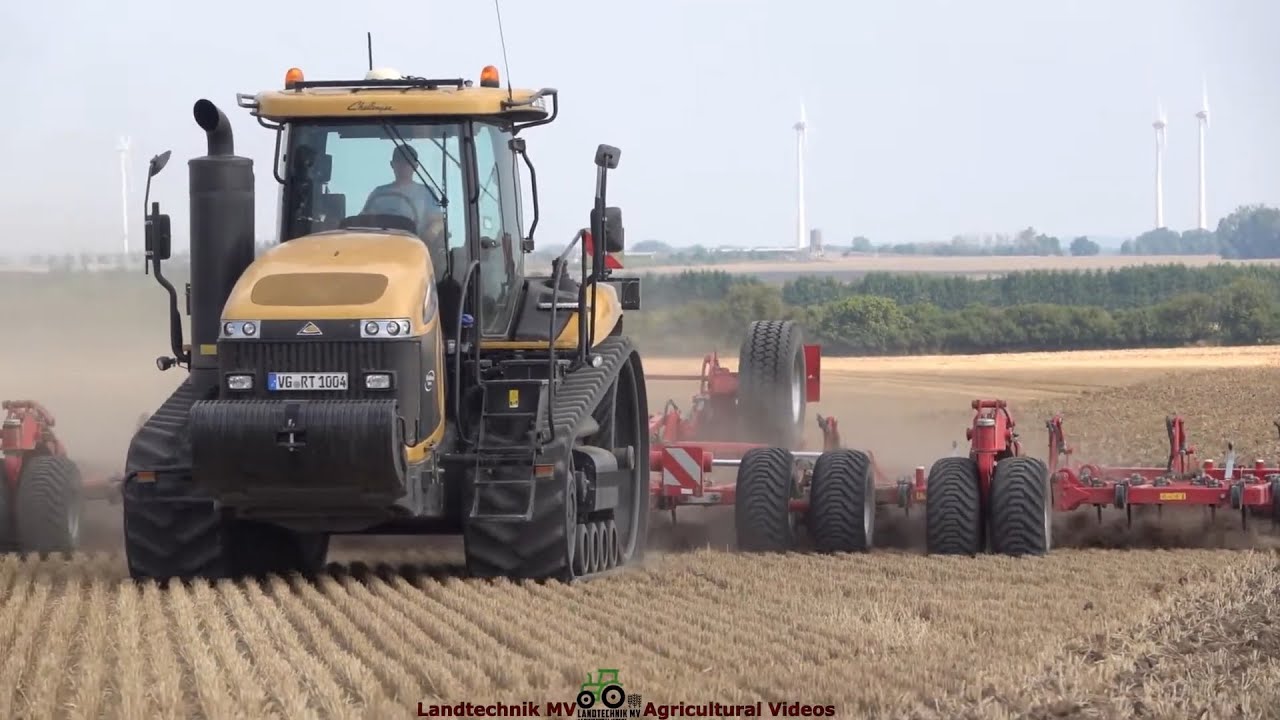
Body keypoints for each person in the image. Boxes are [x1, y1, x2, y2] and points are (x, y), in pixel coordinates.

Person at [362, 144, 445, 243]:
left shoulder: (426, 192)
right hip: (381, 246)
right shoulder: (378, 193)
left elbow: (438, 222)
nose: (403, 166)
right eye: (399, 161)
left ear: (416, 166)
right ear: (392, 164)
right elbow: (363, 221)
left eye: (407, 162)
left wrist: (429, 235)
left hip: (415, 247)